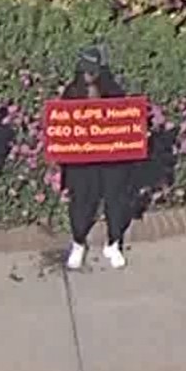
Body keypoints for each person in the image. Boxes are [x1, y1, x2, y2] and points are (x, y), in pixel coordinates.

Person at [60, 46, 132, 271]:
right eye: (85, 71)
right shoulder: (71, 92)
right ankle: (78, 242)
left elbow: (123, 118)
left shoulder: (114, 90)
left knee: (115, 201)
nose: (89, 76)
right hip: (82, 162)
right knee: (81, 202)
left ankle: (113, 243)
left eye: (93, 71)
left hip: (110, 160)